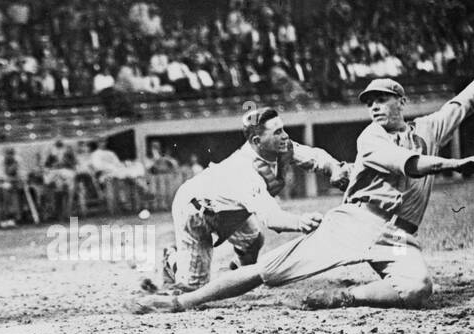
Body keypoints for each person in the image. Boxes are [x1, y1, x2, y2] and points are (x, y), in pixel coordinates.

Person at [127, 35, 474, 314]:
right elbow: (410, 165)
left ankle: (346, 298)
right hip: (354, 224)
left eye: (382, 100)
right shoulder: (372, 138)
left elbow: (464, 101)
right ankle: (181, 301)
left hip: (393, 235)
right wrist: (455, 165)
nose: (374, 106)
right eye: (369, 101)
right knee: (266, 272)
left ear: (401, 101)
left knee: (417, 289)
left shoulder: (427, 129)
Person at [140, 107, 349, 294]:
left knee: (252, 242)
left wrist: (334, 169)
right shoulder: (244, 171)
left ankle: (235, 275)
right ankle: (172, 260)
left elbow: (316, 156)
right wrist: (300, 222)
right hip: (196, 211)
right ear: (257, 141)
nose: (285, 136)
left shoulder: (281, 147)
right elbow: (271, 217)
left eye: (283, 129)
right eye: (277, 132)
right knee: (192, 289)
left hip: (231, 209)